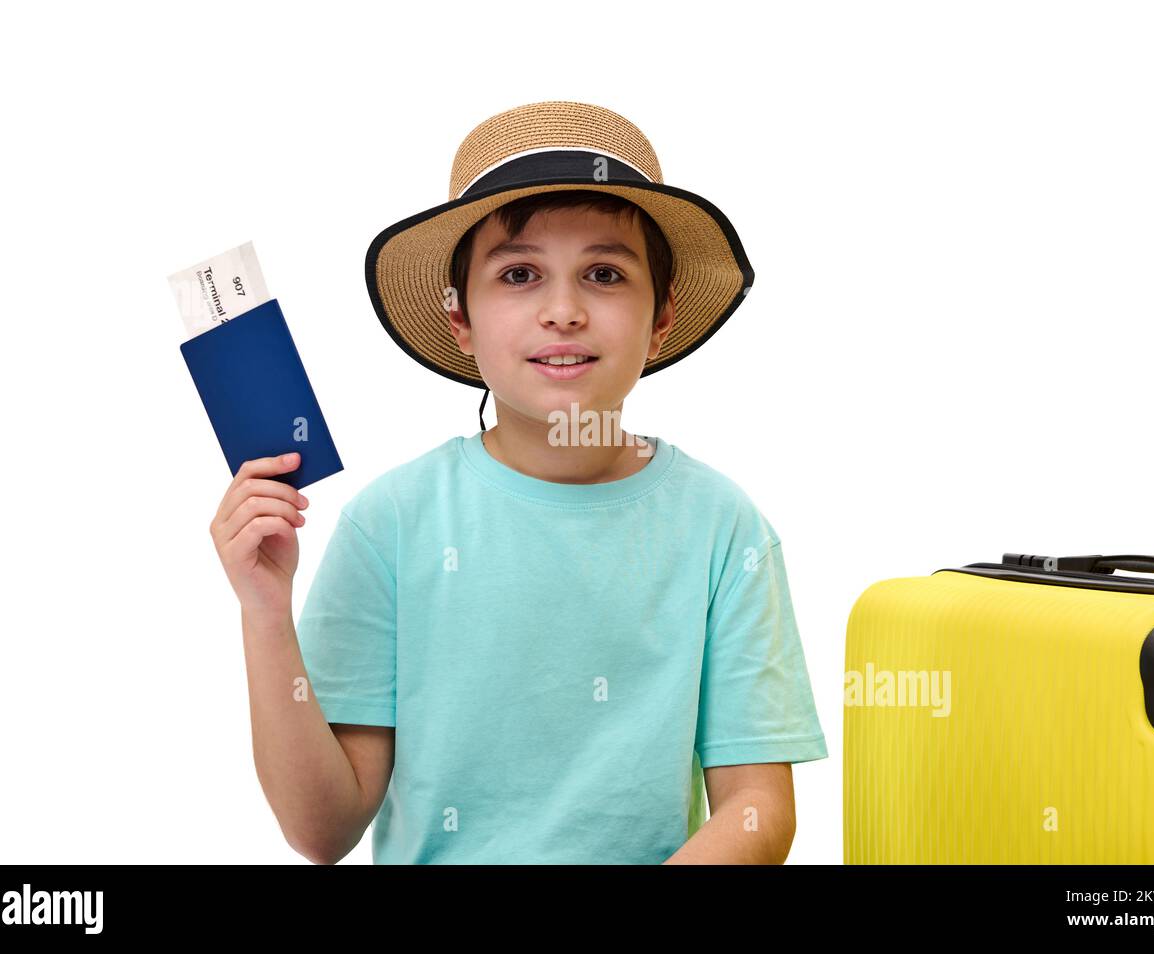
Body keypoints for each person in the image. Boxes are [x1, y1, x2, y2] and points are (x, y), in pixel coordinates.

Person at [211, 100, 827, 864]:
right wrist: (266, 614)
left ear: (661, 316)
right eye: (520, 274)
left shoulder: (723, 529)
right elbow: (322, 829)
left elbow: (758, 806)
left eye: (603, 274)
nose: (562, 311)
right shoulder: (393, 523)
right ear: (461, 320)